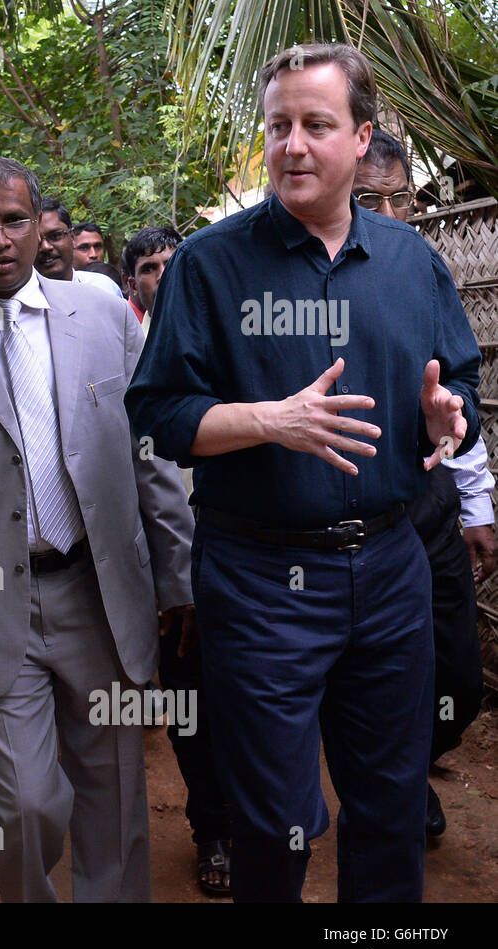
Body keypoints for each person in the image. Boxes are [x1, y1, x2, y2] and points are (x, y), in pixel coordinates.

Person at [126, 43, 482, 903]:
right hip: (259, 580)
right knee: (276, 817)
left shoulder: (411, 261)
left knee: (391, 805)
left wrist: (449, 415)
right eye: (279, 125)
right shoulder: (209, 266)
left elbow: (458, 377)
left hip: (393, 566)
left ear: (361, 139)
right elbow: (158, 414)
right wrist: (268, 422)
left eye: (316, 125)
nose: (292, 145)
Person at [0, 156, 196, 903]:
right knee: (21, 805)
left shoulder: (107, 319)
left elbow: (151, 461)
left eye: (14, 219)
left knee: (113, 798)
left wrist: (177, 579)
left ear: (38, 224)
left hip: (97, 593)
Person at [353, 129, 496, 838]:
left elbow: (457, 392)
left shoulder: (425, 273)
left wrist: (476, 506)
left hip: (430, 509)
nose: (385, 211)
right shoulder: (307, 283)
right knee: (383, 683)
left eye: (397, 197)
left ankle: (418, 758)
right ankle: (400, 788)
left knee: (459, 681)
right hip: (355, 519)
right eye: (366, 198)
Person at [120, 223, 235, 895]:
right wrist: (171, 579)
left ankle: (267, 820)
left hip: (250, 554)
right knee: (189, 698)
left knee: (253, 697)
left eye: (174, 264)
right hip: (169, 565)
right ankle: (213, 831)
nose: (166, 277)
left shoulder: (235, 344)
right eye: (152, 269)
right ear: (134, 281)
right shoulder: (123, 355)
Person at [35, 198, 123, 299]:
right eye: (36, 240)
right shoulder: (19, 300)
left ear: (72, 237)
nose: (46, 247)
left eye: (55, 236)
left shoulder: (104, 289)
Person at [121, 226, 182, 326]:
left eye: (172, 264)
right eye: (148, 269)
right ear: (133, 285)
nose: (163, 275)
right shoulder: (135, 340)